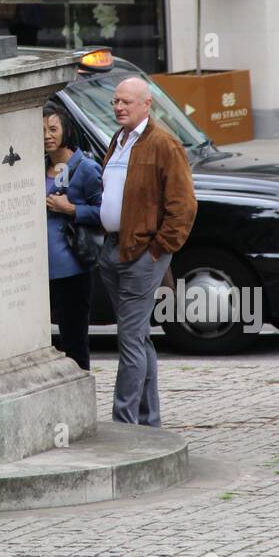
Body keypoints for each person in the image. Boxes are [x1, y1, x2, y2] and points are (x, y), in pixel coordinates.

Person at [98, 76, 197, 426]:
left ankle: (124, 425)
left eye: (126, 102)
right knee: (138, 337)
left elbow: (183, 207)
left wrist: (157, 250)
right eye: (115, 102)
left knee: (129, 340)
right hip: (113, 249)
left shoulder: (163, 144)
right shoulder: (119, 139)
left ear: (146, 104)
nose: (119, 107)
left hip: (141, 253)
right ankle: (149, 422)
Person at [43, 103, 103, 371]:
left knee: (74, 341)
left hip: (72, 270)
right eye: (41, 130)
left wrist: (71, 209)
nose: (47, 135)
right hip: (36, 273)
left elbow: (106, 213)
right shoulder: (31, 166)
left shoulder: (86, 168)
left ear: (66, 129)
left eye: (53, 129)